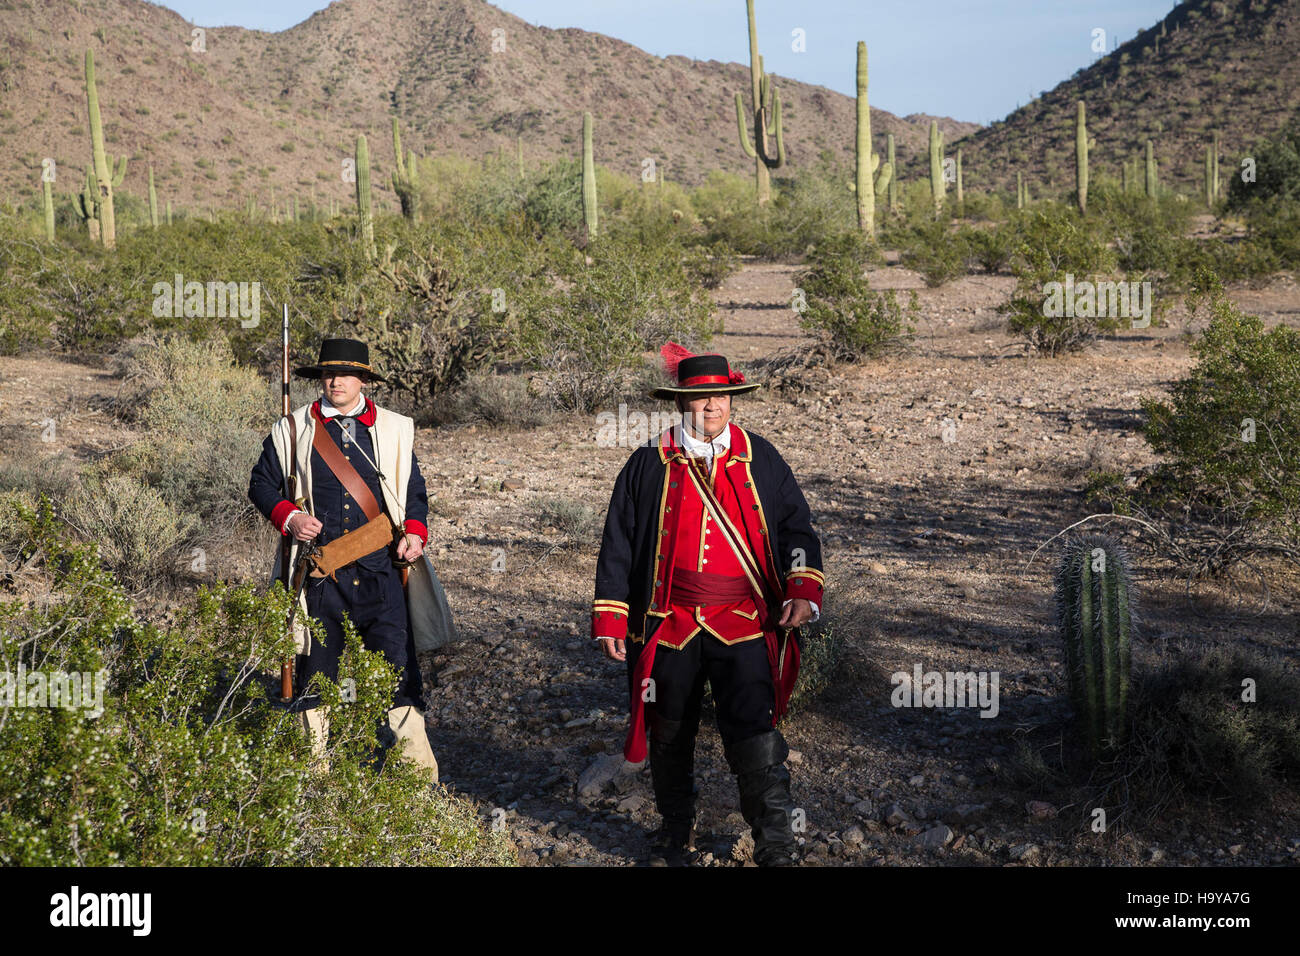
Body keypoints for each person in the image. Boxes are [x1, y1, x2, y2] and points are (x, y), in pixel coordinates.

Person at [591, 343, 824, 866]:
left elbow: (797, 528)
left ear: (732, 400)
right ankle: (676, 831)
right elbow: (619, 543)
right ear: (680, 404)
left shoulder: (761, 457)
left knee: (755, 731)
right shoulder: (646, 463)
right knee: (670, 728)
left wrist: (803, 589)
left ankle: (776, 847)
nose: (711, 408)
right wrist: (611, 617)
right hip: (670, 621)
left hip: (743, 620)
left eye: (719, 399)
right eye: (699, 401)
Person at [248, 337, 445, 780]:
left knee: (400, 671)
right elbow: (261, 484)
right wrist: (291, 517)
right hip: (320, 576)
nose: (335, 381)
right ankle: (315, 781)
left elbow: (414, 493)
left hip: (381, 574)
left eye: (345, 373)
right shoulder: (292, 429)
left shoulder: (395, 428)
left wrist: (414, 534)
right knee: (315, 674)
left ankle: (420, 785)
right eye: (328, 373)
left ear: (363, 380)